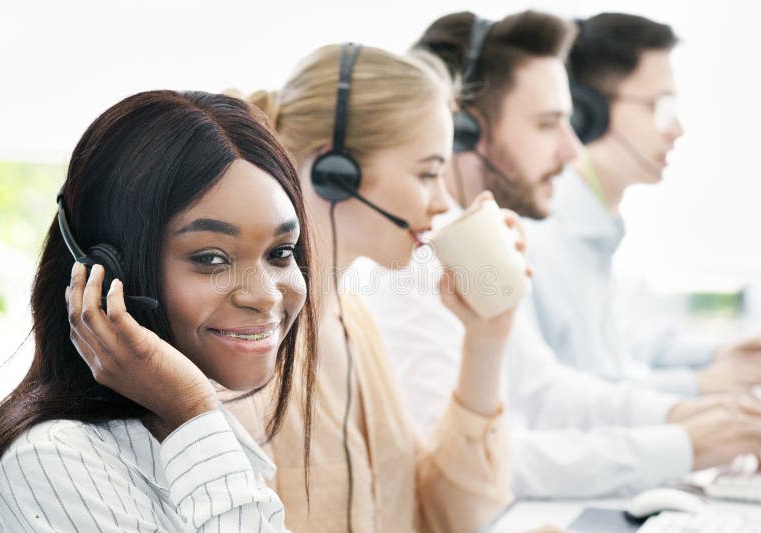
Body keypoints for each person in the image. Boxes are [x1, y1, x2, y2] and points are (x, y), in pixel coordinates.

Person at [354, 10, 761, 499]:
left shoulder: (472, 239)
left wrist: (682, 418)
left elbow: (541, 391)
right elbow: (475, 466)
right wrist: (681, 443)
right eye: (548, 124)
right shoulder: (414, 259)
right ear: (463, 129)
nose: (573, 151)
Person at [0, 90, 319, 532]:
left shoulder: (209, 437)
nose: (264, 296)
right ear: (106, 274)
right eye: (211, 258)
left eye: (280, 252)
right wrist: (192, 412)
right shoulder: (55, 461)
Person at [223, 43, 526, 532]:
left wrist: (486, 341)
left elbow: (440, 517)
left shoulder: (353, 325)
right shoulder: (243, 346)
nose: (444, 201)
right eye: (428, 173)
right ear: (335, 174)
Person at [525, 12, 761, 397]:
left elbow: (624, 345)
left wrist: (718, 353)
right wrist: (700, 385)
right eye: (658, 106)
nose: (677, 129)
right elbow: (581, 392)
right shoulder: (545, 235)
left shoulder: (597, 225)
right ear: (589, 113)